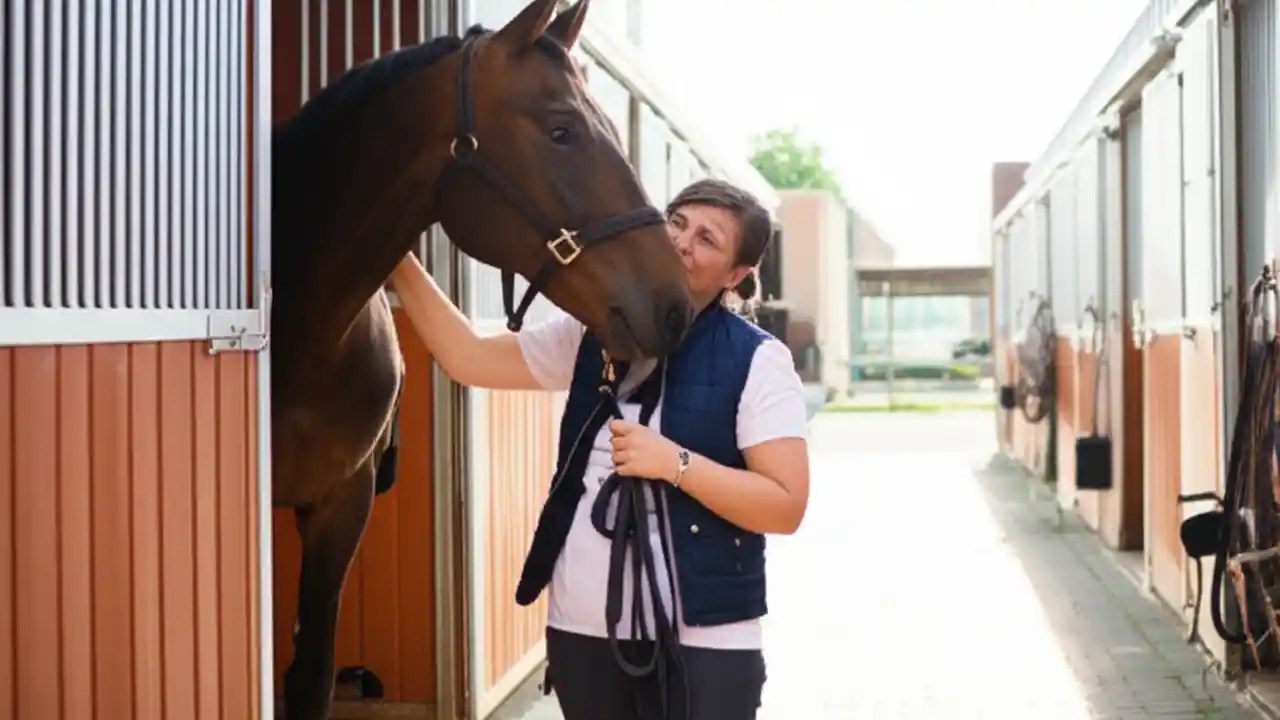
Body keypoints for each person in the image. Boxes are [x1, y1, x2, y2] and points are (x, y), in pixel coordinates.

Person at [389, 178, 811, 720]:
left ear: (736, 275)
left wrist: (675, 464)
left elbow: (784, 505)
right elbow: (466, 356)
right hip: (582, 631)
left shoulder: (758, 361)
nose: (682, 242)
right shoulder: (590, 337)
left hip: (705, 642)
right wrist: (396, 255)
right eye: (676, 222)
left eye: (708, 239)